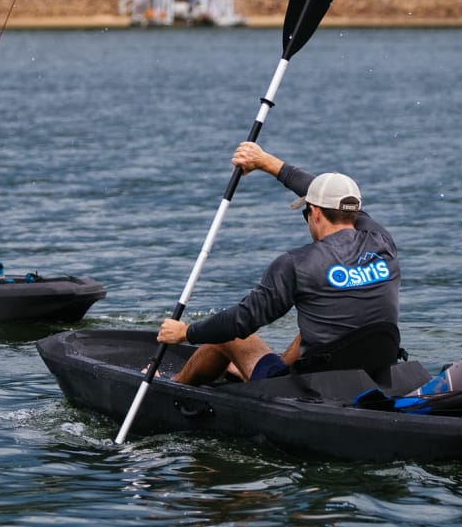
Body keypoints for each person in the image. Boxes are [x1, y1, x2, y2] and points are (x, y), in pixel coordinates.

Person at [156, 141, 399, 385]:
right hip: (374, 371)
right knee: (324, 318)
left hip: (318, 385)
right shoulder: (382, 241)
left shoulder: (297, 263)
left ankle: (174, 383)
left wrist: (186, 332)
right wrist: (265, 162)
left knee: (228, 337)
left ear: (314, 212)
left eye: (306, 213)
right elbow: (324, 195)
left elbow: (241, 320)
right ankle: (267, 369)